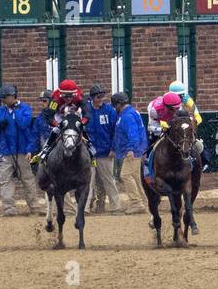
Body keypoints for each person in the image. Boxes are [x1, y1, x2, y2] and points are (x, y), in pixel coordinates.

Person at [0, 85, 42, 215]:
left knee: (27, 179)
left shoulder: (25, 108)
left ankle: (34, 208)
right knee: (5, 181)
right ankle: (9, 210)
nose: (3, 100)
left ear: (12, 97)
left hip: (22, 151)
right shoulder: (0, 112)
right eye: (1, 98)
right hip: (5, 152)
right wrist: (0, 127)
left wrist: (14, 111)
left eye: (5, 98)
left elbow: (24, 124)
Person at [31, 80, 94, 164]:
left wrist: (82, 123)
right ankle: (46, 149)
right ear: (61, 94)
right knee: (56, 130)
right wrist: (57, 125)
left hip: (75, 115)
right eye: (65, 96)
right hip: (60, 115)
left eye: (70, 96)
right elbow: (49, 116)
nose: (68, 99)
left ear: (75, 94)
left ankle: (90, 150)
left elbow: (87, 113)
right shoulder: (55, 99)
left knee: (83, 128)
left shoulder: (80, 97)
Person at [86, 85, 123, 213]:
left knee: (109, 181)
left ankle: (116, 206)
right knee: (87, 182)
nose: (101, 99)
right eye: (98, 96)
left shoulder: (110, 111)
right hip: (89, 153)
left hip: (105, 152)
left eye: (102, 96)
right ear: (92, 98)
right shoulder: (85, 110)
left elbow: (115, 132)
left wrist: (114, 148)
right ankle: (84, 208)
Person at [112, 91, 147, 215]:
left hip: (133, 151)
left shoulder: (127, 116)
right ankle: (144, 201)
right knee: (136, 177)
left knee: (125, 175)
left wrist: (131, 149)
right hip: (136, 149)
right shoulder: (131, 112)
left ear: (118, 104)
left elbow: (133, 134)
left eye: (114, 105)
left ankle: (136, 203)